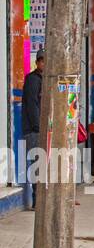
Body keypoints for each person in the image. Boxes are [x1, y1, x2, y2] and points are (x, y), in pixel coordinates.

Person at [20, 51, 43, 210]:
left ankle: (41, 200)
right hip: (34, 130)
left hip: (40, 128)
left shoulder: (44, 79)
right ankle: (36, 201)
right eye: (42, 61)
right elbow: (32, 105)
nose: (44, 64)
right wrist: (38, 126)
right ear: (37, 62)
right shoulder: (33, 80)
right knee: (37, 165)